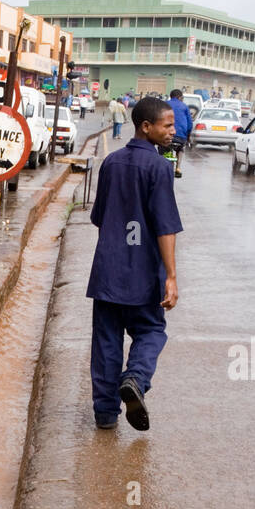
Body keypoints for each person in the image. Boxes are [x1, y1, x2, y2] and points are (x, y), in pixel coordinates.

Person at [86, 96, 182, 432]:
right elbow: (165, 226)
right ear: (146, 126)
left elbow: (99, 218)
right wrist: (171, 276)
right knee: (152, 330)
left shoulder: (111, 163)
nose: (173, 130)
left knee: (106, 341)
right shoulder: (158, 168)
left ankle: (105, 414)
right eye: (167, 125)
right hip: (143, 276)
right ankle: (136, 378)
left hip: (108, 273)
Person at [167, 88, 193, 178]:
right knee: (180, 149)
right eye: (182, 97)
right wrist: (188, 136)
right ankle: (178, 167)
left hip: (166, 136)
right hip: (181, 136)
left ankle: (164, 166)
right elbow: (190, 124)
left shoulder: (164, 105)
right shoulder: (184, 106)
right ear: (179, 97)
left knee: (164, 148)